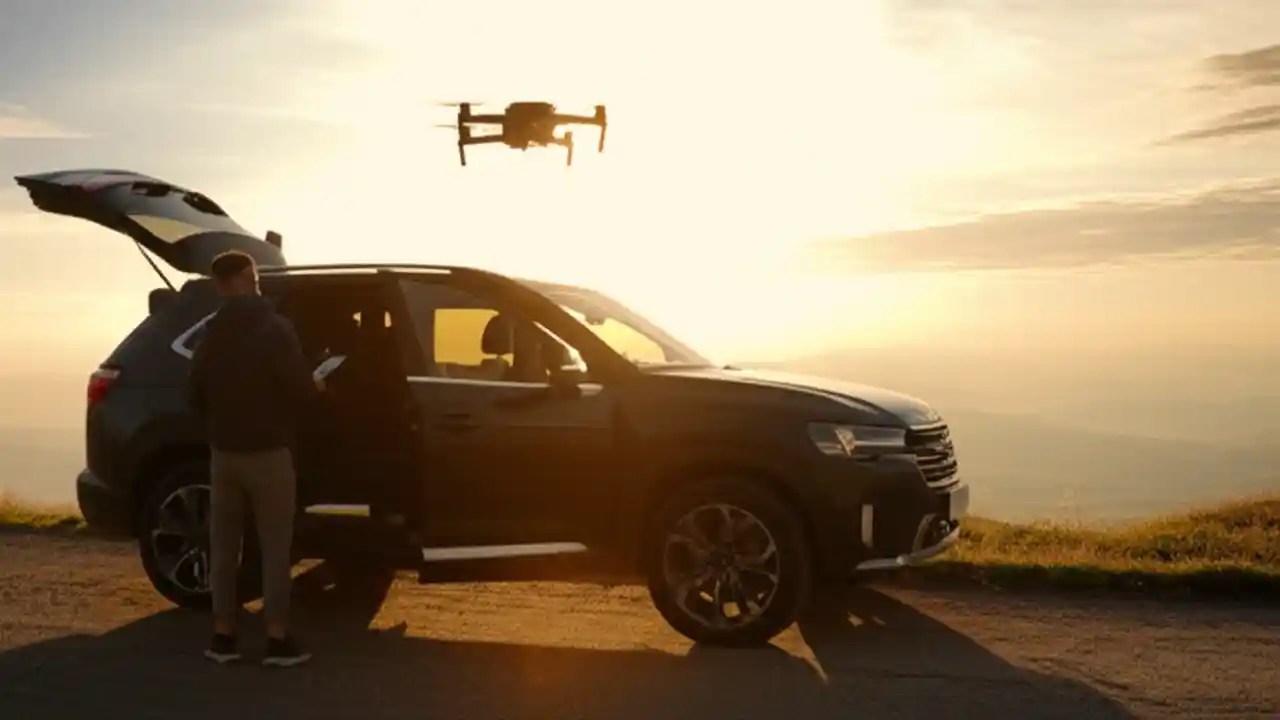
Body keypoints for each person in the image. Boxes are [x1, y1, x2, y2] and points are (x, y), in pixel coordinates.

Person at [186, 250, 323, 667]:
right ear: (249, 276)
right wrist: (316, 385)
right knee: (275, 548)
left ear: (220, 286)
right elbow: (300, 391)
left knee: (224, 548)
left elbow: (193, 394)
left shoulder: (210, 333)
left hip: (224, 455)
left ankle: (223, 637)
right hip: (268, 454)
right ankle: (276, 640)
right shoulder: (276, 329)